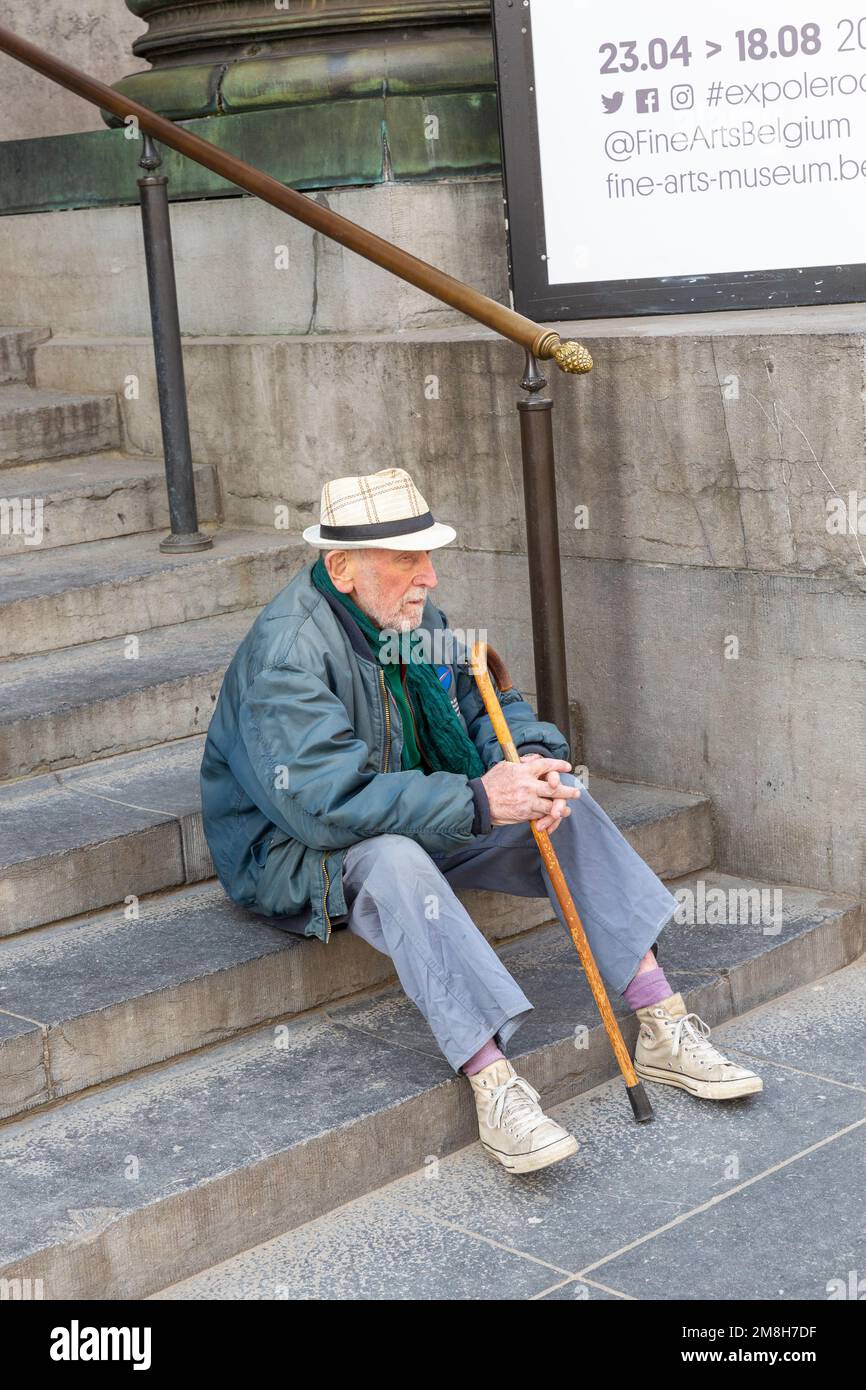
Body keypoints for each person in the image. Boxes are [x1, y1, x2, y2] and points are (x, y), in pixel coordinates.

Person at [200, 467, 762, 1176]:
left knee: (563, 802)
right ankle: (494, 1083)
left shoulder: (413, 620)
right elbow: (324, 806)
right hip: (290, 852)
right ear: (342, 568)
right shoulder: (288, 657)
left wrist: (530, 762)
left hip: (413, 806)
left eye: (429, 556)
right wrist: (475, 801)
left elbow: (488, 706)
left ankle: (661, 1020)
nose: (429, 576)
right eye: (408, 558)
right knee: (396, 859)